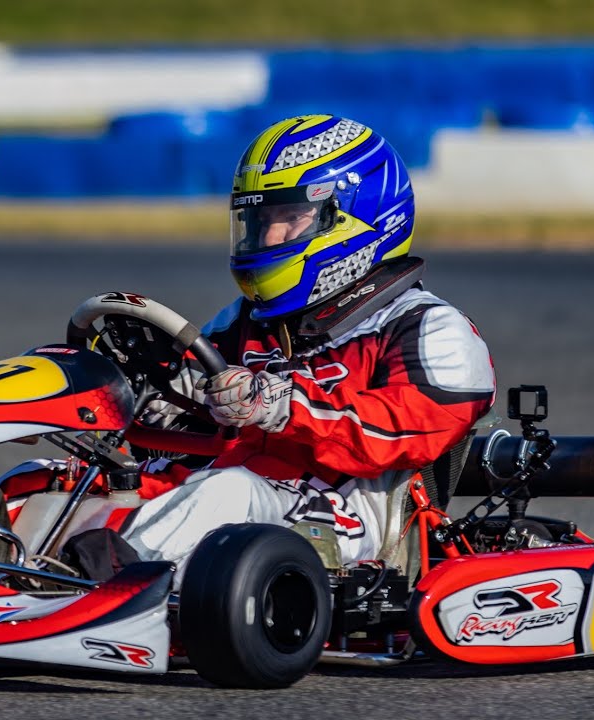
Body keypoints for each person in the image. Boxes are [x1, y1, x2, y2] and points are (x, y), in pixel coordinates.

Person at [115, 114, 497, 577]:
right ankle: (17, 576)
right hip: (239, 490)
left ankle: (100, 593)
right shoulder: (244, 321)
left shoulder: (428, 327)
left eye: (288, 219)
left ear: (353, 218)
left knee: (227, 492)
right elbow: (195, 407)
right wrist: (144, 393)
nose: (269, 238)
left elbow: (405, 431)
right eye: (259, 221)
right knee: (74, 481)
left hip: (352, 519)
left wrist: (282, 406)